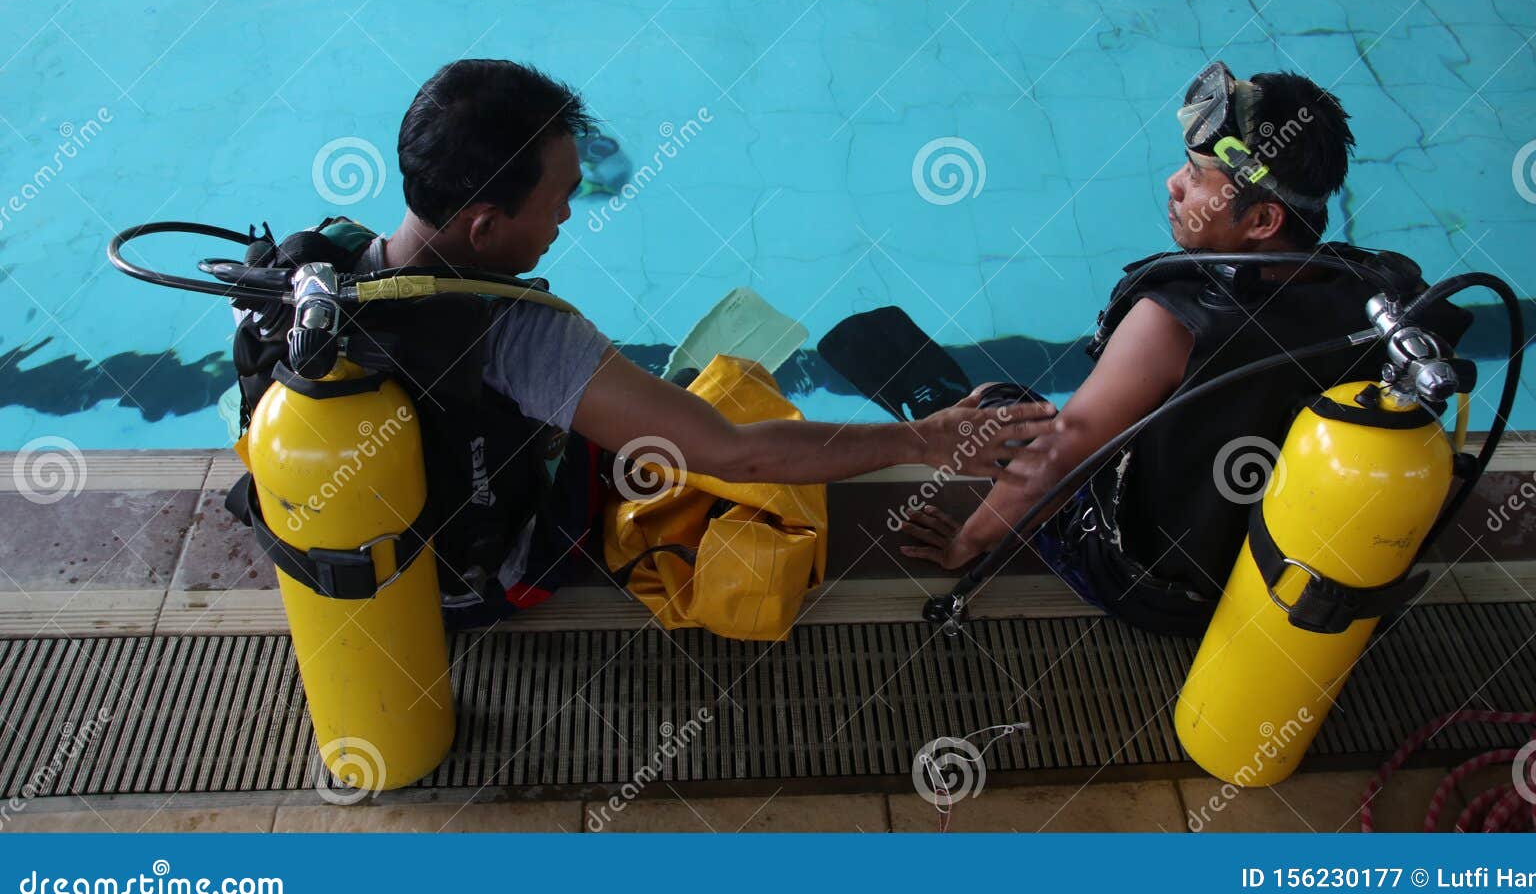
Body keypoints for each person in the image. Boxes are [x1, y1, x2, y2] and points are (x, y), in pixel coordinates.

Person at [265, 58, 1052, 629]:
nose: (568, 217)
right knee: (691, 429)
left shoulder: (314, 275)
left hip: (374, 571)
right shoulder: (525, 337)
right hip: (483, 586)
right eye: (560, 199)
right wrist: (926, 435)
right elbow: (740, 455)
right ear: (484, 226)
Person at [896, 61, 1466, 636]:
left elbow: (1055, 467)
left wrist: (965, 543)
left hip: (1166, 597)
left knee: (1001, 402)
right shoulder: (1387, 303)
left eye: (1197, 177)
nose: (1174, 182)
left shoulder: (1173, 324)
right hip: (1292, 587)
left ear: (1263, 220)